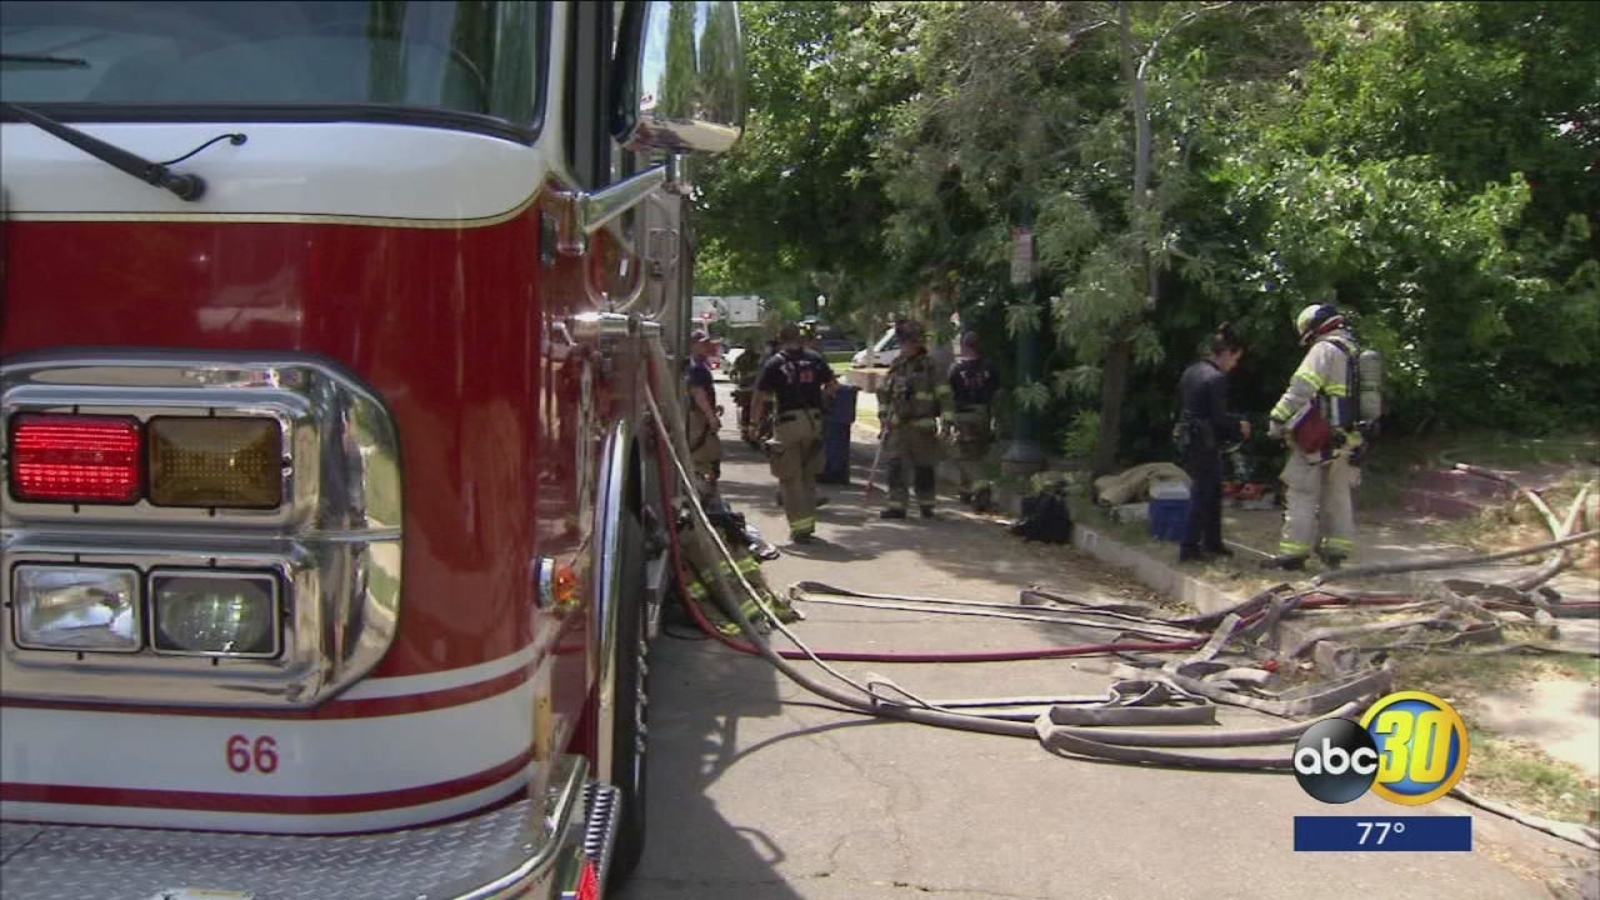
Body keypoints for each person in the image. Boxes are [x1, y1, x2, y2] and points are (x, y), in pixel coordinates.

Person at [1264, 303, 1366, 571]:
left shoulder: (1323, 350)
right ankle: (1336, 552)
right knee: (1339, 495)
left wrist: (1277, 418)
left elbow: (1300, 389)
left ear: (1314, 329)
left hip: (1319, 437)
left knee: (1301, 490)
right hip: (1351, 437)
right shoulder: (1358, 352)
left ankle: (1293, 554)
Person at [748, 322, 840, 543]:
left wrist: (753, 423)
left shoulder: (775, 363)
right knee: (808, 475)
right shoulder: (815, 359)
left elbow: (759, 396)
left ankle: (799, 529)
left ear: (780, 339)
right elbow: (833, 386)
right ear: (799, 338)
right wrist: (821, 402)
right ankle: (808, 524)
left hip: (788, 424)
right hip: (813, 423)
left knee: (790, 478)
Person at [1173, 323, 1250, 563]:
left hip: (1187, 438)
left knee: (1213, 491)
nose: (1234, 366)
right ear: (1226, 353)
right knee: (1203, 493)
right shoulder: (1216, 379)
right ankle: (1190, 548)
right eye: (1235, 359)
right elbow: (1218, 417)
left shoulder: (1192, 370)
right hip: (1204, 441)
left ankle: (1213, 542)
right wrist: (1240, 424)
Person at [877, 320, 955, 519]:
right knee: (895, 467)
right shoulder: (897, 365)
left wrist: (947, 422)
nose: (907, 347)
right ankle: (896, 505)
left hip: (922, 427)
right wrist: (883, 416)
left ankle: (926, 504)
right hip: (898, 426)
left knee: (924, 468)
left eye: (911, 342)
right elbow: (885, 392)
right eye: (905, 343)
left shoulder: (931, 367)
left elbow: (945, 395)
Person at [947, 330, 1001, 512]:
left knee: (965, 456)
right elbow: (997, 392)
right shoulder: (990, 367)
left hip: (964, 415)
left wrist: (946, 423)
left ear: (963, 347)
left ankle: (981, 489)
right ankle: (965, 491)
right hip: (984, 414)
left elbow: (949, 395)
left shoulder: (956, 369)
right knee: (977, 452)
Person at [684, 329, 722, 501]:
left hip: (701, 417)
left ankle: (704, 494)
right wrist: (710, 416)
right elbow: (697, 392)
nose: (706, 346)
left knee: (709, 458)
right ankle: (701, 496)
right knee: (704, 458)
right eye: (702, 343)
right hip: (698, 420)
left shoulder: (699, 364)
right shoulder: (695, 366)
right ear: (692, 345)